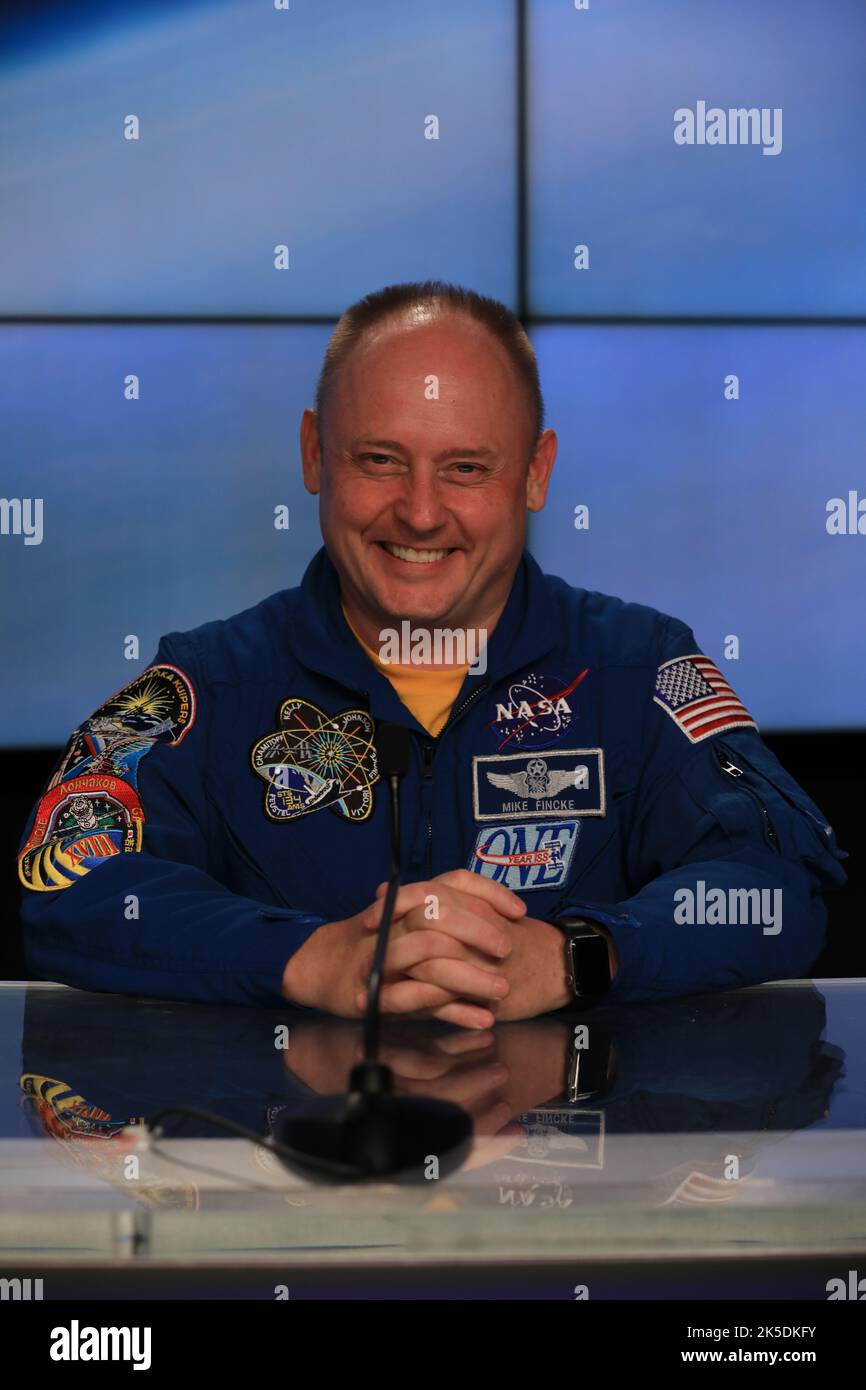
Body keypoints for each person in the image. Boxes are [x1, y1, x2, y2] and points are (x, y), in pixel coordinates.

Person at [17, 281, 848, 1026]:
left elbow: (779, 883)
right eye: (379, 460)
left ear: (535, 472)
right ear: (313, 454)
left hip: (575, 1186)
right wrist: (306, 960)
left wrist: (574, 957)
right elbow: (65, 882)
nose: (420, 514)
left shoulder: (637, 668)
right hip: (295, 1181)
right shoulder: (205, 683)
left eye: (466, 468)